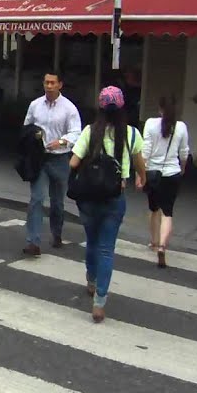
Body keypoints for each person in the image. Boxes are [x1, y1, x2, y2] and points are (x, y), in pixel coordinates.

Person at [70, 86, 145, 323]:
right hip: (114, 197)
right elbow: (139, 162)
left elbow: (73, 162)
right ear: (122, 109)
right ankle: (99, 302)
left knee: (91, 241)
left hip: (89, 198)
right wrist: (142, 177)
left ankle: (91, 280)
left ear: (100, 108)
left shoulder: (90, 131)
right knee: (106, 248)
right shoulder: (131, 134)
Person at [22, 73, 82, 256]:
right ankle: (33, 241)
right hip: (40, 158)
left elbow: (76, 133)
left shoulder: (69, 108)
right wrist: (32, 137)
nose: (49, 86)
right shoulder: (35, 105)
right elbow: (27, 126)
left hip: (60, 159)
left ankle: (57, 233)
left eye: (52, 83)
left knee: (57, 202)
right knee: (37, 198)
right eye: (46, 82)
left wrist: (62, 142)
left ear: (60, 85)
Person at [142, 96, 190, 268]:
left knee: (153, 208)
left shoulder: (150, 123)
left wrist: (141, 173)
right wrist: (182, 168)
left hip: (153, 172)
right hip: (172, 173)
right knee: (167, 212)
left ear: (160, 109)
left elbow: (145, 150)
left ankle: (154, 242)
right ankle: (163, 245)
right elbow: (184, 152)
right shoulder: (181, 127)